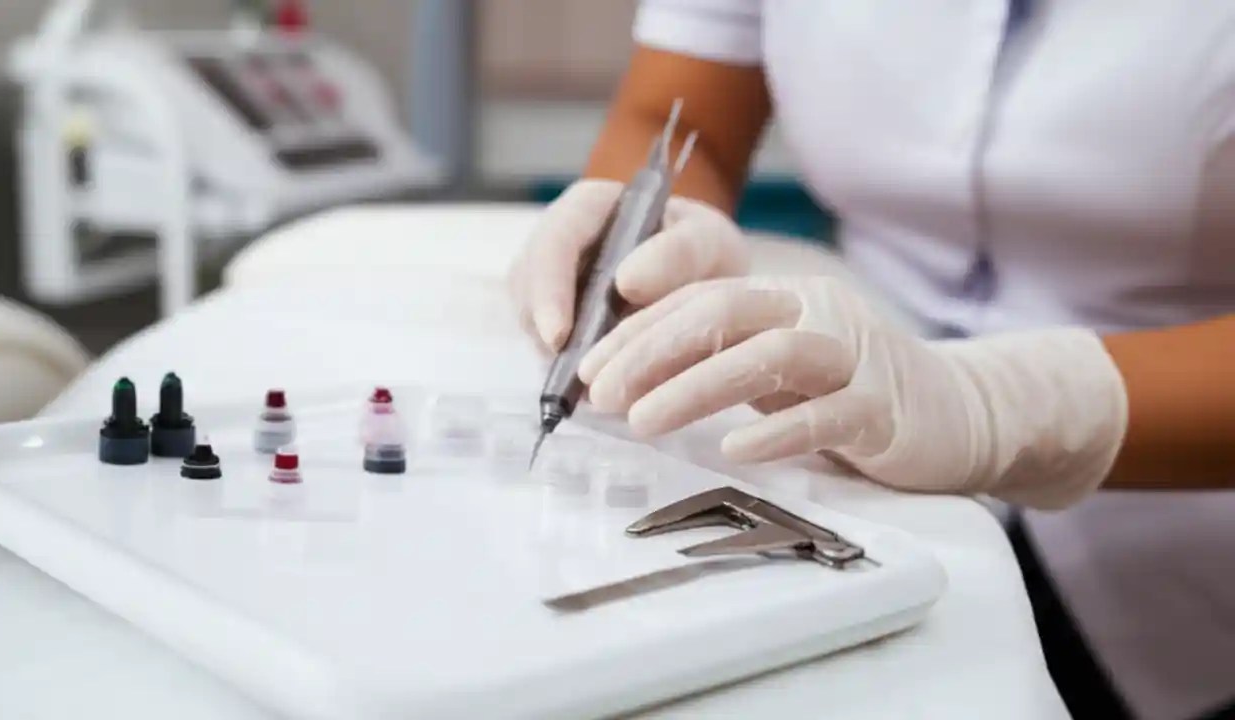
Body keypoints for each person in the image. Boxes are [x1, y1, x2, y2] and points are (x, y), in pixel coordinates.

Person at [507, 3, 1235, 720]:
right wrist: (655, 239)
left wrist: (1011, 403)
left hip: (1173, 538)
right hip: (839, 451)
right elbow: (678, 122)